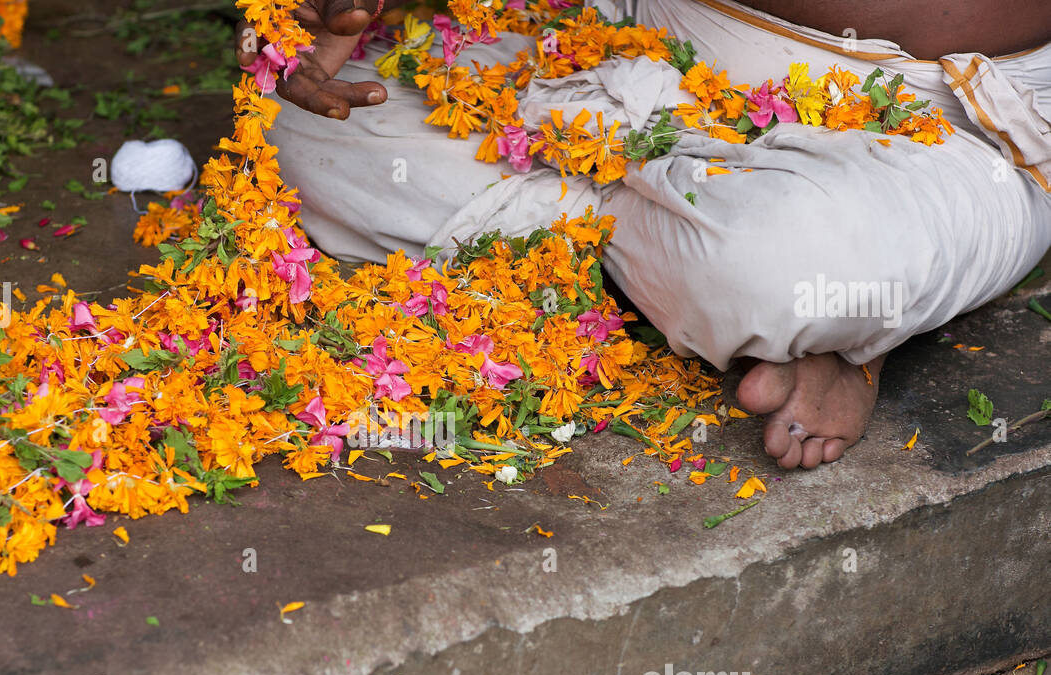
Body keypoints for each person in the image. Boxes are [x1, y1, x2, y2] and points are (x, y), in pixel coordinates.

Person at [238, 0, 1051, 469]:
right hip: (641, 34)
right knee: (290, 123)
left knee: (786, 258)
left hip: (937, 112)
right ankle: (677, 238)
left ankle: (752, 275)